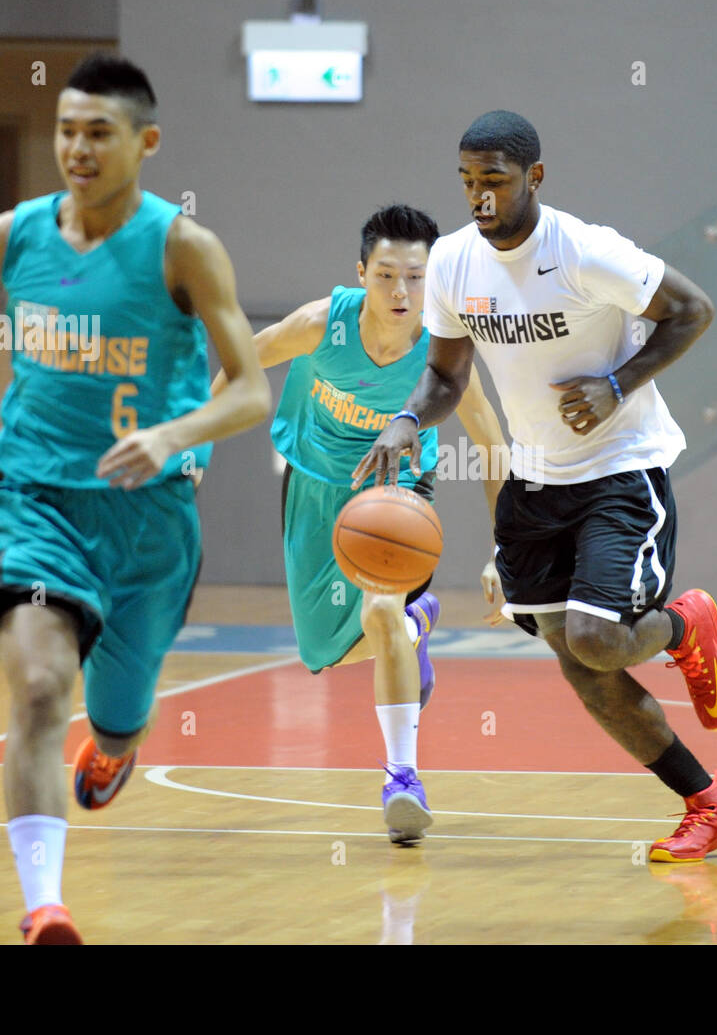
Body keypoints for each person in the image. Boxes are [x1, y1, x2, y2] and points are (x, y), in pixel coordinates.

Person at [0, 53, 272, 943]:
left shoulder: (183, 246)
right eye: (67, 130)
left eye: (99, 132)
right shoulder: (8, 237)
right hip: (35, 502)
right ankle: (44, 906)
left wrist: (175, 435)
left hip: (149, 522)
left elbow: (251, 389)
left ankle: (118, 743)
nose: (77, 148)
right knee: (37, 688)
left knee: (116, 717)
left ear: (147, 142)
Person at [356, 110, 717, 862]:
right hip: (534, 485)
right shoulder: (452, 262)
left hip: (620, 471)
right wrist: (408, 418)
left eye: (495, 179)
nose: (479, 195)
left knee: (600, 639)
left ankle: (683, 626)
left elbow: (692, 310)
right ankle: (710, 804)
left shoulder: (585, 251)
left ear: (534, 177)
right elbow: (445, 371)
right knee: (581, 663)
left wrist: (617, 384)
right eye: (468, 180)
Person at [212, 204, 507, 844]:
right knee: (326, 648)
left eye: (416, 277)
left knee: (377, 613)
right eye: (386, 276)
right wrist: (192, 452)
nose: (401, 293)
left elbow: (492, 444)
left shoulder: (443, 350)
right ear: (361, 274)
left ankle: (403, 778)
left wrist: (501, 550)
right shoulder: (322, 325)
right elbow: (239, 367)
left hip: (394, 493)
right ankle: (415, 623)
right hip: (315, 486)